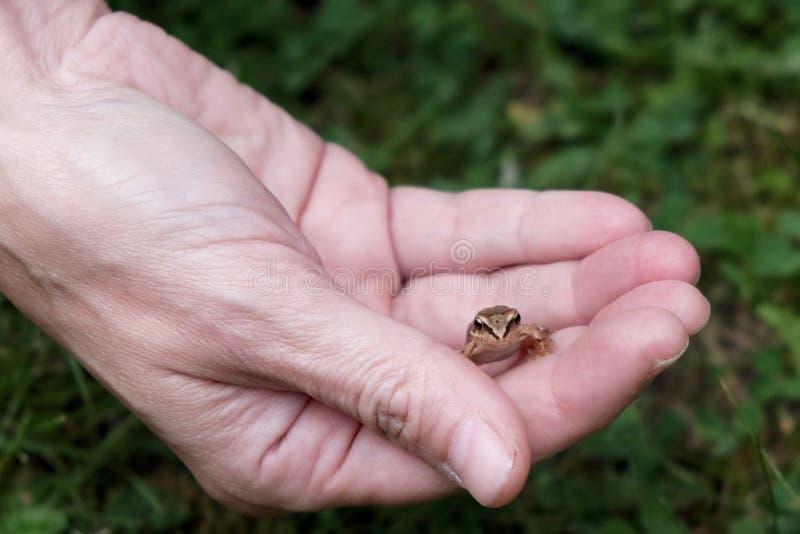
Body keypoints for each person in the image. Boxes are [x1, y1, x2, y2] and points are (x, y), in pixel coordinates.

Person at [0, 1, 709, 513]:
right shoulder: (473, 342)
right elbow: (467, 353)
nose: (497, 332)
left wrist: (53, 54)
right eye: (492, 327)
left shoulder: (516, 331)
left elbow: (524, 333)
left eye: (503, 326)